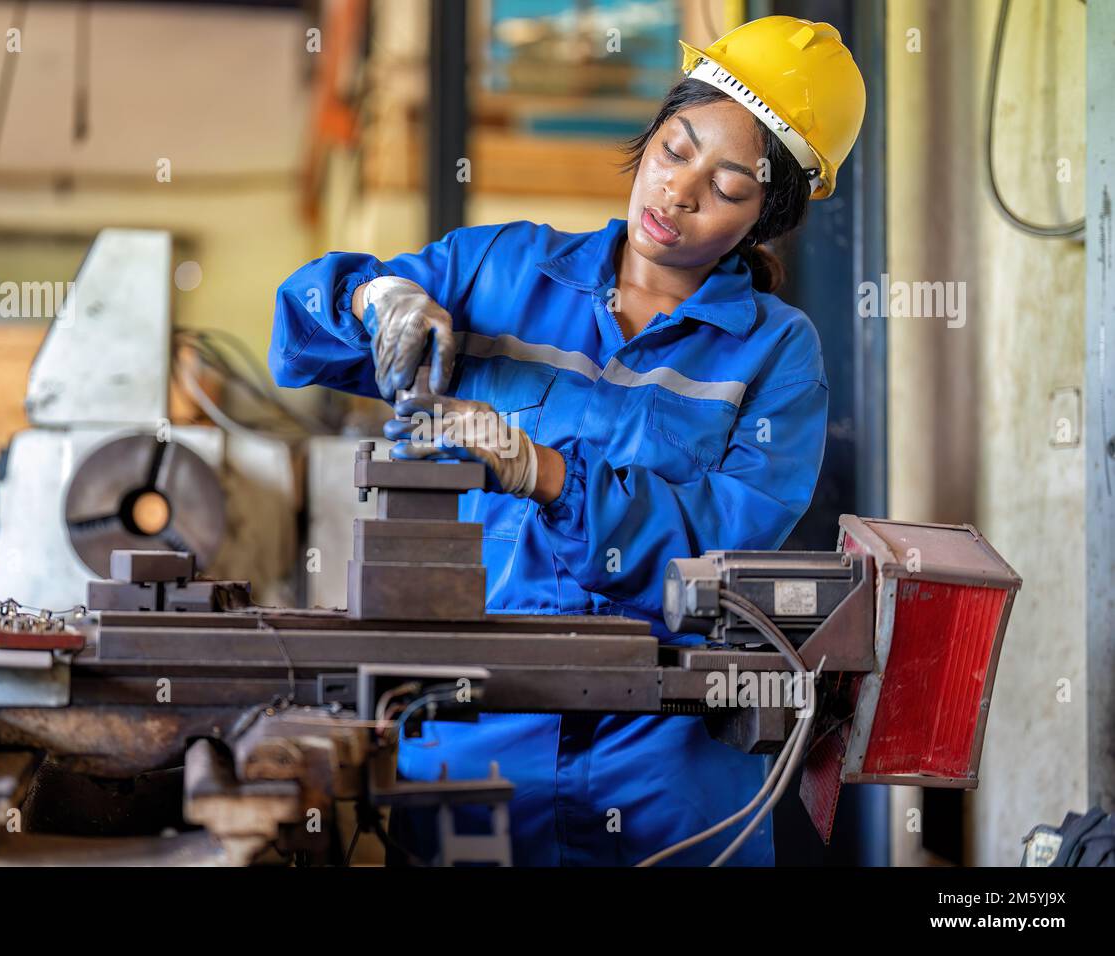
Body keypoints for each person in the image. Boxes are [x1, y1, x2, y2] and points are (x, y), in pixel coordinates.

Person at [269, 15, 866, 866]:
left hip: (666, 757)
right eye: (675, 149)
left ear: (766, 217)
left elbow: (727, 546)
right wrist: (379, 302)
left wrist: (544, 472)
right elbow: (302, 328)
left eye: (729, 187)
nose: (680, 193)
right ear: (652, 133)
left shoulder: (776, 352)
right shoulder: (500, 272)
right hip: (469, 731)